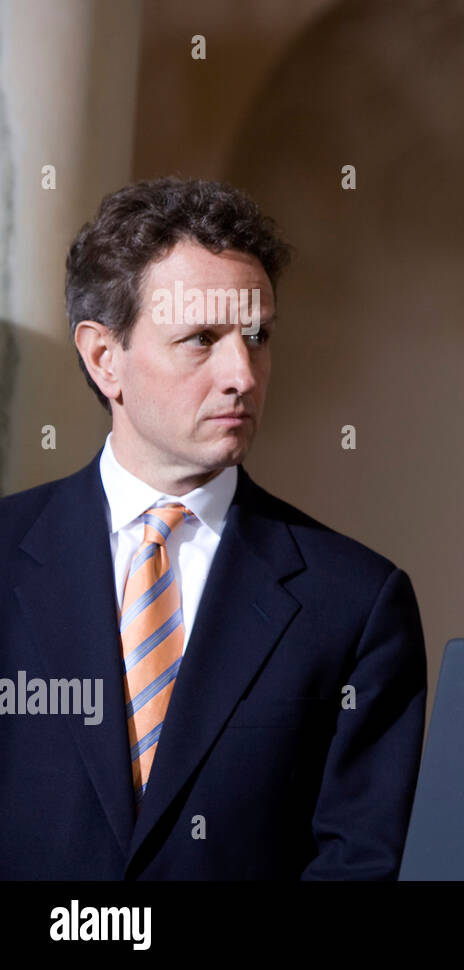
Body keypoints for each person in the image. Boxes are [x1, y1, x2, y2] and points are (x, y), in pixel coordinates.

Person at [0, 177, 428, 878]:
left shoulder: (356, 603)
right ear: (105, 358)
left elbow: (357, 865)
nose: (242, 373)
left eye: (256, 337)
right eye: (201, 339)